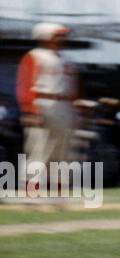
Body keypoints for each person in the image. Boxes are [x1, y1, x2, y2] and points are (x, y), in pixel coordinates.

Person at [16, 22, 80, 196]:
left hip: (64, 104)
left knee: (62, 150)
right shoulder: (34, 56)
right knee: (38, 148)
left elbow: (73, 86)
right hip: (43, 102)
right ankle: (31, 192)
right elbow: (26, 84)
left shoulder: (67, 59)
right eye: (58, 35)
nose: (62, 38)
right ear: (45, 36)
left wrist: (74, 109)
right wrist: (29, 109)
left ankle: (58, 193)